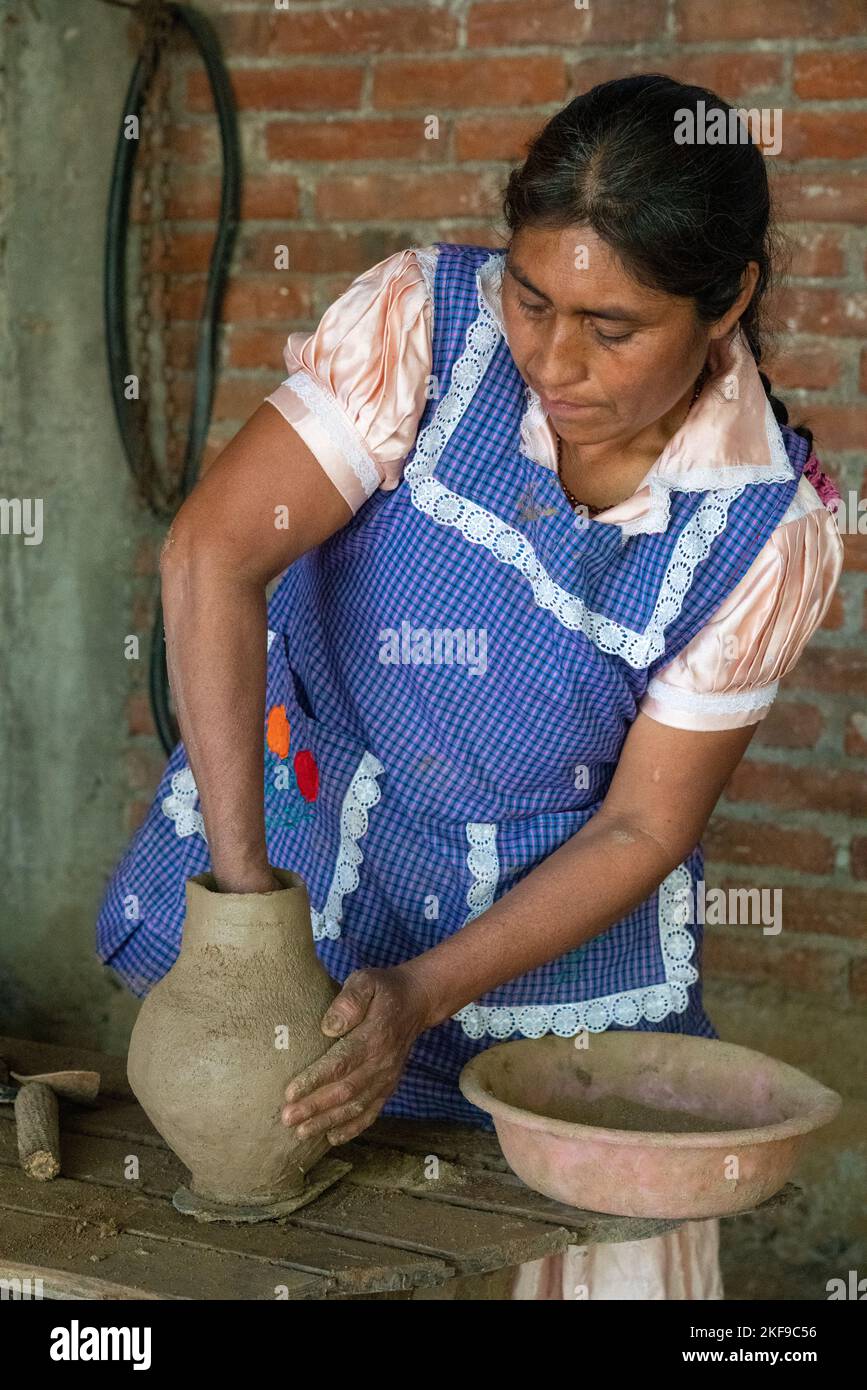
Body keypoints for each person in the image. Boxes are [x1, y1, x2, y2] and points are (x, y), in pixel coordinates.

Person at [96, 75, 843, 1299]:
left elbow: (645, 823)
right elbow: (214, 553)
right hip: (312, 860)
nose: (553, 357)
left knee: (567, 1263)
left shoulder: (767, 530)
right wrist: (244, 913)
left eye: (614, 328)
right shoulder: (426, 329)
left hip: (545, 944)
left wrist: (424, 992)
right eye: (532, 297)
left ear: (728, 303)